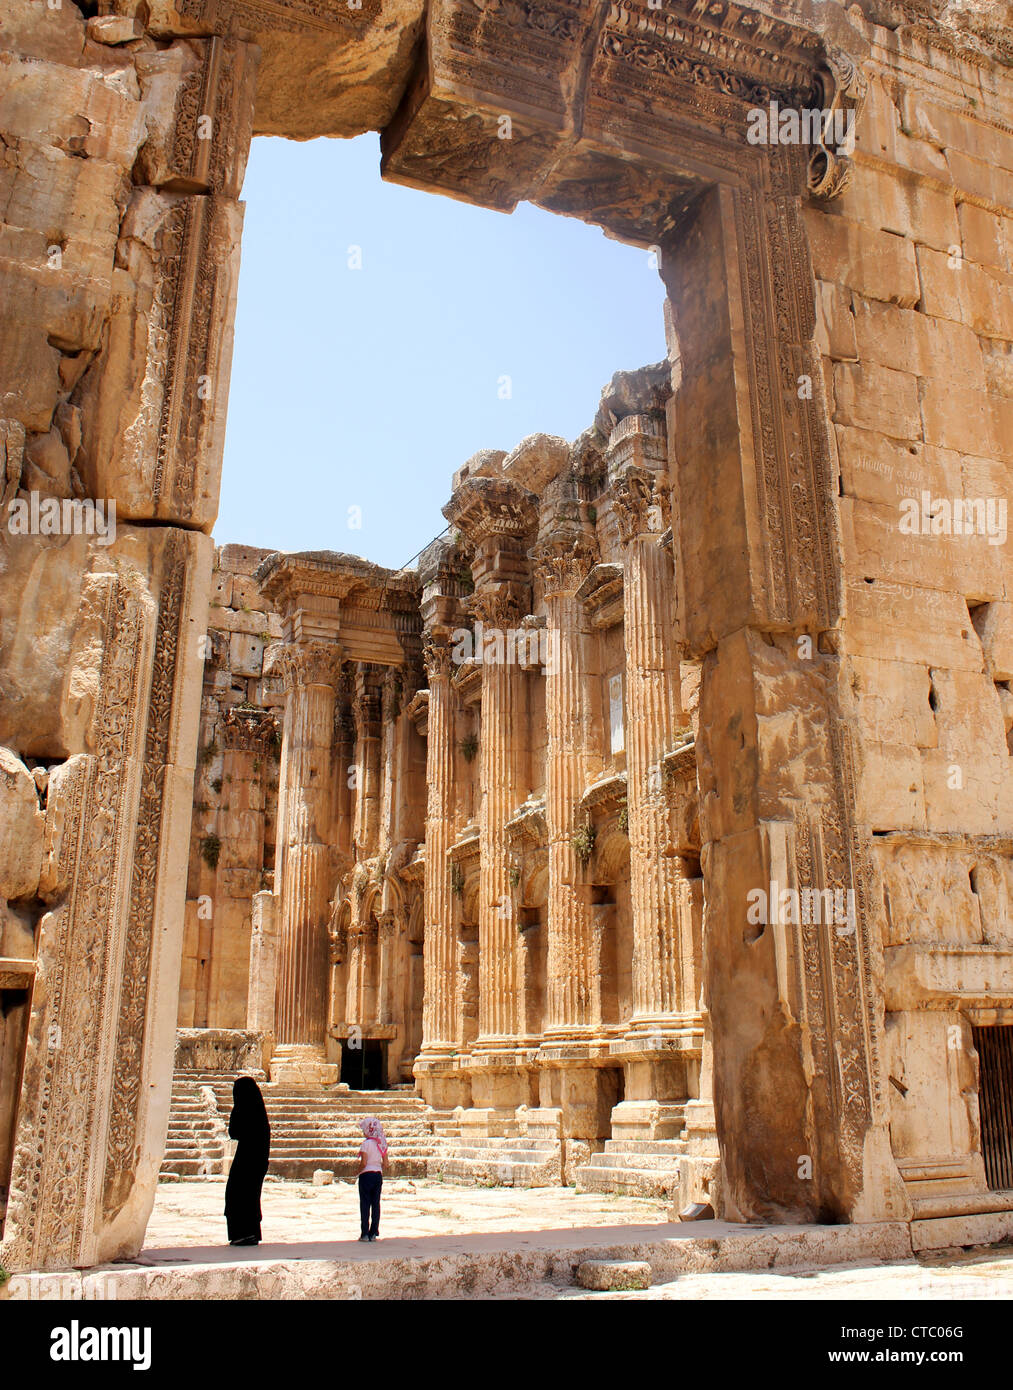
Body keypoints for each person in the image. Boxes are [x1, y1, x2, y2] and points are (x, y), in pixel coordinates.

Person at [224, 1075, 271, 1246]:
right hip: (258, 1161)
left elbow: (234, 1131)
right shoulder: (260, 1114)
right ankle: (251, 1232)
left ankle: (241, 1233)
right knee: (251, 1196)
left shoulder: (243, 1109)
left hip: (246, 1160)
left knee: (237, 1195)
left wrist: (235, 1109)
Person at [356, 1116, 387, 1242]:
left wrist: (357, 1172)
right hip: (377, 1175)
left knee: (365, 1204)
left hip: (366, 1175)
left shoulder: (365, 1144)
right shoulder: (382, 1144)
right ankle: (373, 1233)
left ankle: (364, 1233)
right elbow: (386, 1163)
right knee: (375, 1204)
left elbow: (363, 1163)